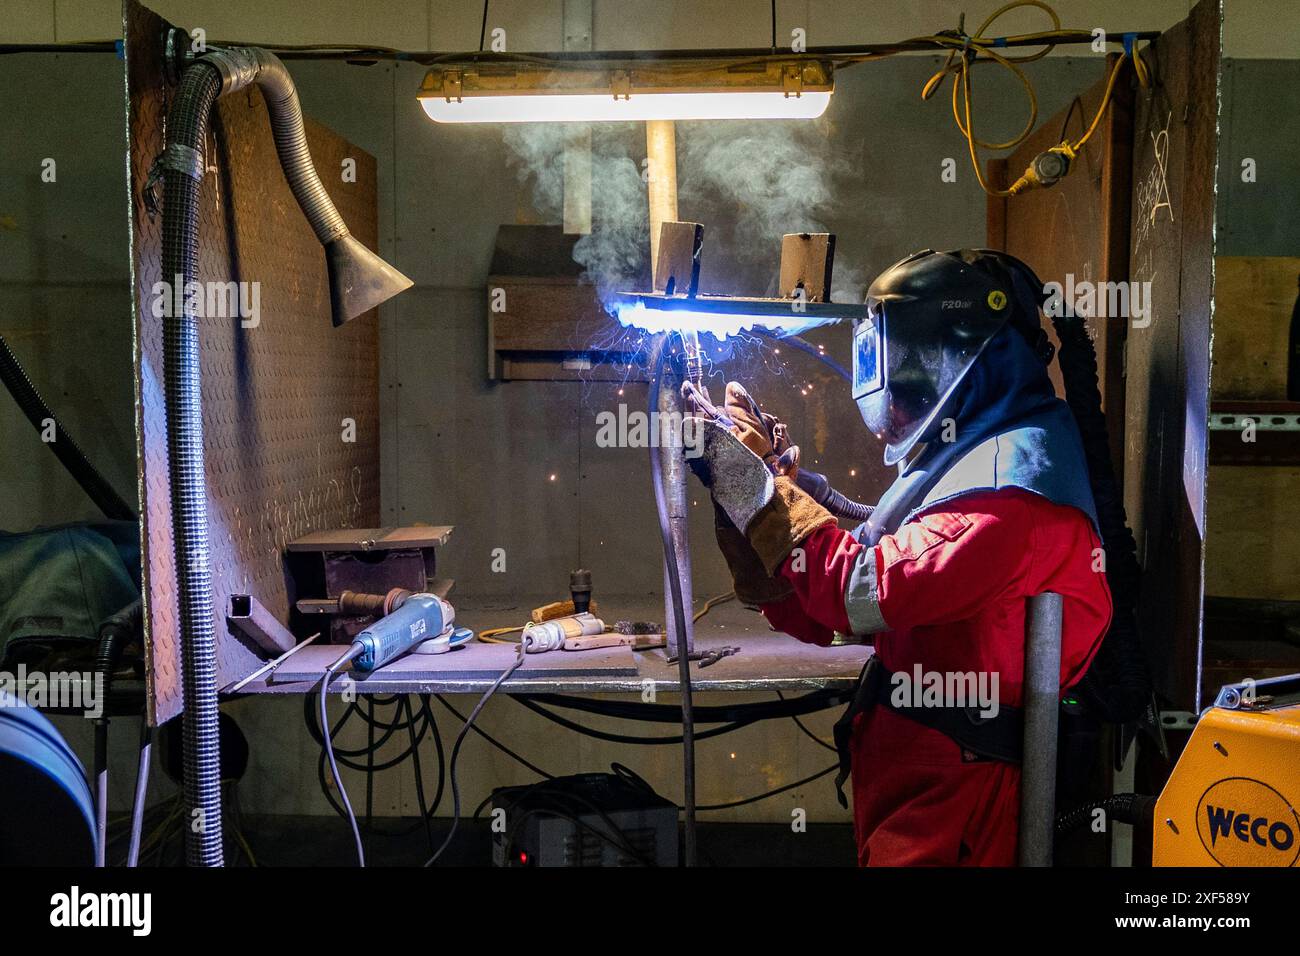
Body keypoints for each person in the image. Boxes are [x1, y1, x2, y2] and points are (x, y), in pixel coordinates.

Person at [689, 248, 1113, 866]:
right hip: (919, 777)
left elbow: (862, 591)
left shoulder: (1015, 489)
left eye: (889, 356)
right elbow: (825, 608)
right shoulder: (962, 460)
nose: (882, 378)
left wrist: (757, 486)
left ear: (955, 355)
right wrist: (756, 493)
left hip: (957, 796)